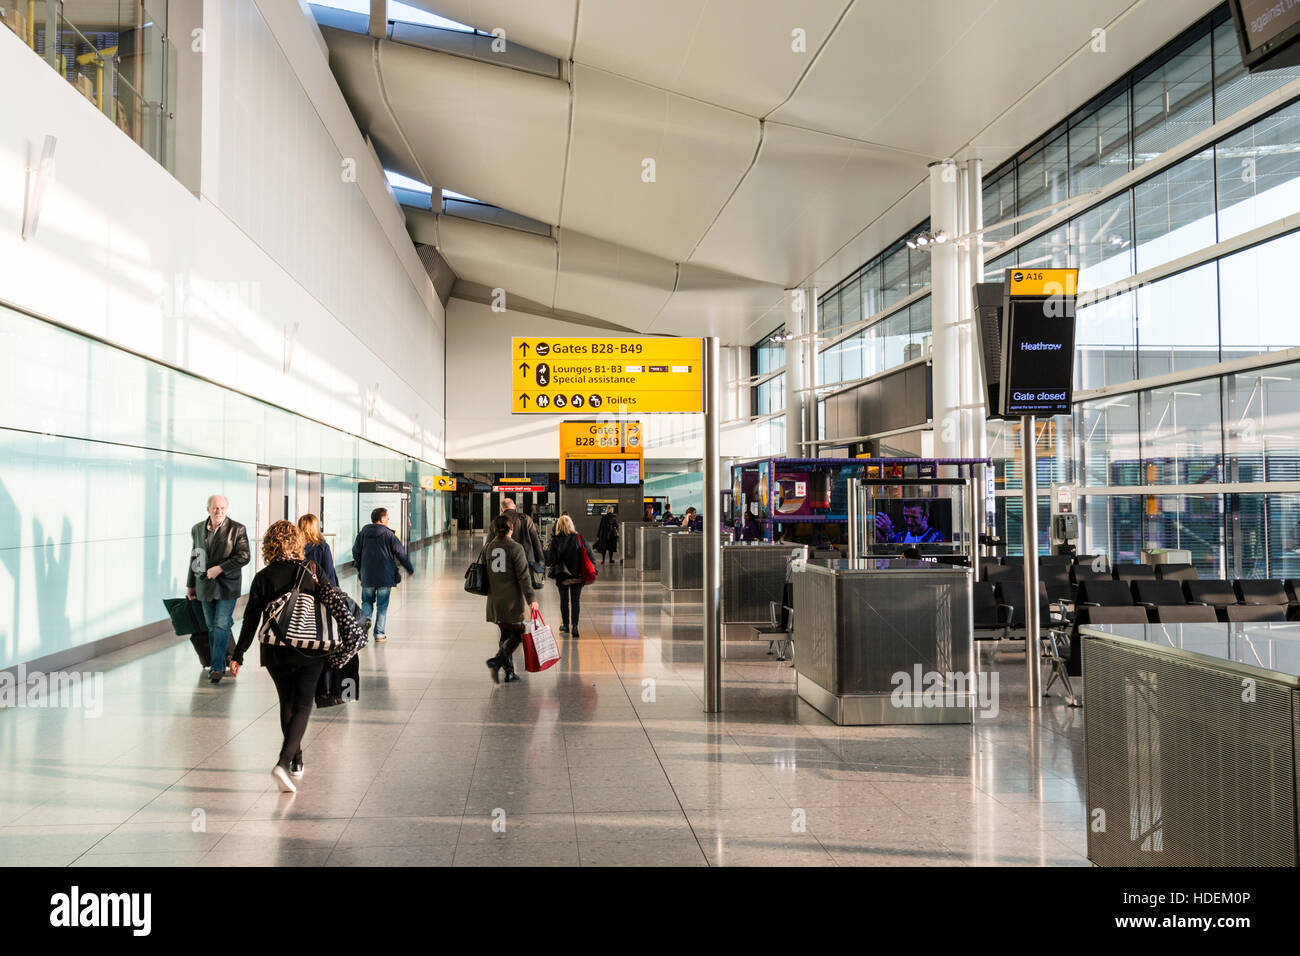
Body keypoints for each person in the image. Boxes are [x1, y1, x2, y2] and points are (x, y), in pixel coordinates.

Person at [232, 520, 365, 793]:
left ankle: (297, 758)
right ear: (297, 543)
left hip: (275, 648)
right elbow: (332, 601)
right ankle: (283, 763)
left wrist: (238, 654)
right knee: (303, 705)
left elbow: (250, 619)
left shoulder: (263, 577)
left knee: (287, 702)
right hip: (310, 647)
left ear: (269, 545)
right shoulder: (311, 570)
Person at [186, 494, 250, 684]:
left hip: (227, 586)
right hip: (204, 586)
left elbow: (244, 556)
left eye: (222, 508)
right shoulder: (197, 529)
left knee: (221, 625)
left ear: (227, 509)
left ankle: (217, 668)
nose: (219, 511)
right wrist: (191, 584)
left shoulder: (237, 529)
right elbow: (195, 558)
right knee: (212, 626)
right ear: (208, 509)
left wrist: (220, 569)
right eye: (215, 508)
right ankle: (222, 658)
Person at [482, 513, 539, 683]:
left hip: (494, 599)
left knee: (505, 633)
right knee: (519, 632)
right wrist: (532, 599)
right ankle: (498, 661)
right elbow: (524, 577)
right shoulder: (516, 548)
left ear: (494, 529)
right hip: (512, 600)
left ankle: (509, 672)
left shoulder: (489, 548)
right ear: (511, 529)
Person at [352, 507, 414, 644]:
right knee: (382, 605)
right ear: (381, 519)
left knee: (367, 602)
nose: (388, 519)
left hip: (367, 575)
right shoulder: (389, 535)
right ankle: (379, 634)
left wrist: (360, 566)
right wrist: (409, 568)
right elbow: (401, 553)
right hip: (385, 576)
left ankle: (364, 626)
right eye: (387, 517)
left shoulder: (363, 533)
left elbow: (355, 551)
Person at [547, 514, 595, 637]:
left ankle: (565, 625)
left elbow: (551, 559)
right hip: (577, 575)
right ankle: (575, 626)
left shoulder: (555, 540)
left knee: (564, 600)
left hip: (562, 576)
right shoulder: (579, 538)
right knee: (575, 601)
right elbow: (589, 554)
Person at [875, 500, 946, 544]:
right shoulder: (901, 536)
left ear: (925, 517)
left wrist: (890, 534)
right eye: (906, 517)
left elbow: (913, 557)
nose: (909, 522)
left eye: (913, 517)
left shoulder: (936, 537)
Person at [298, 514, 338, 587]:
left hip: (300, 591)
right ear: (316, 528)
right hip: (318, 590)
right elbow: (329, 573)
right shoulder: (322, 547)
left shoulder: (294, 548)